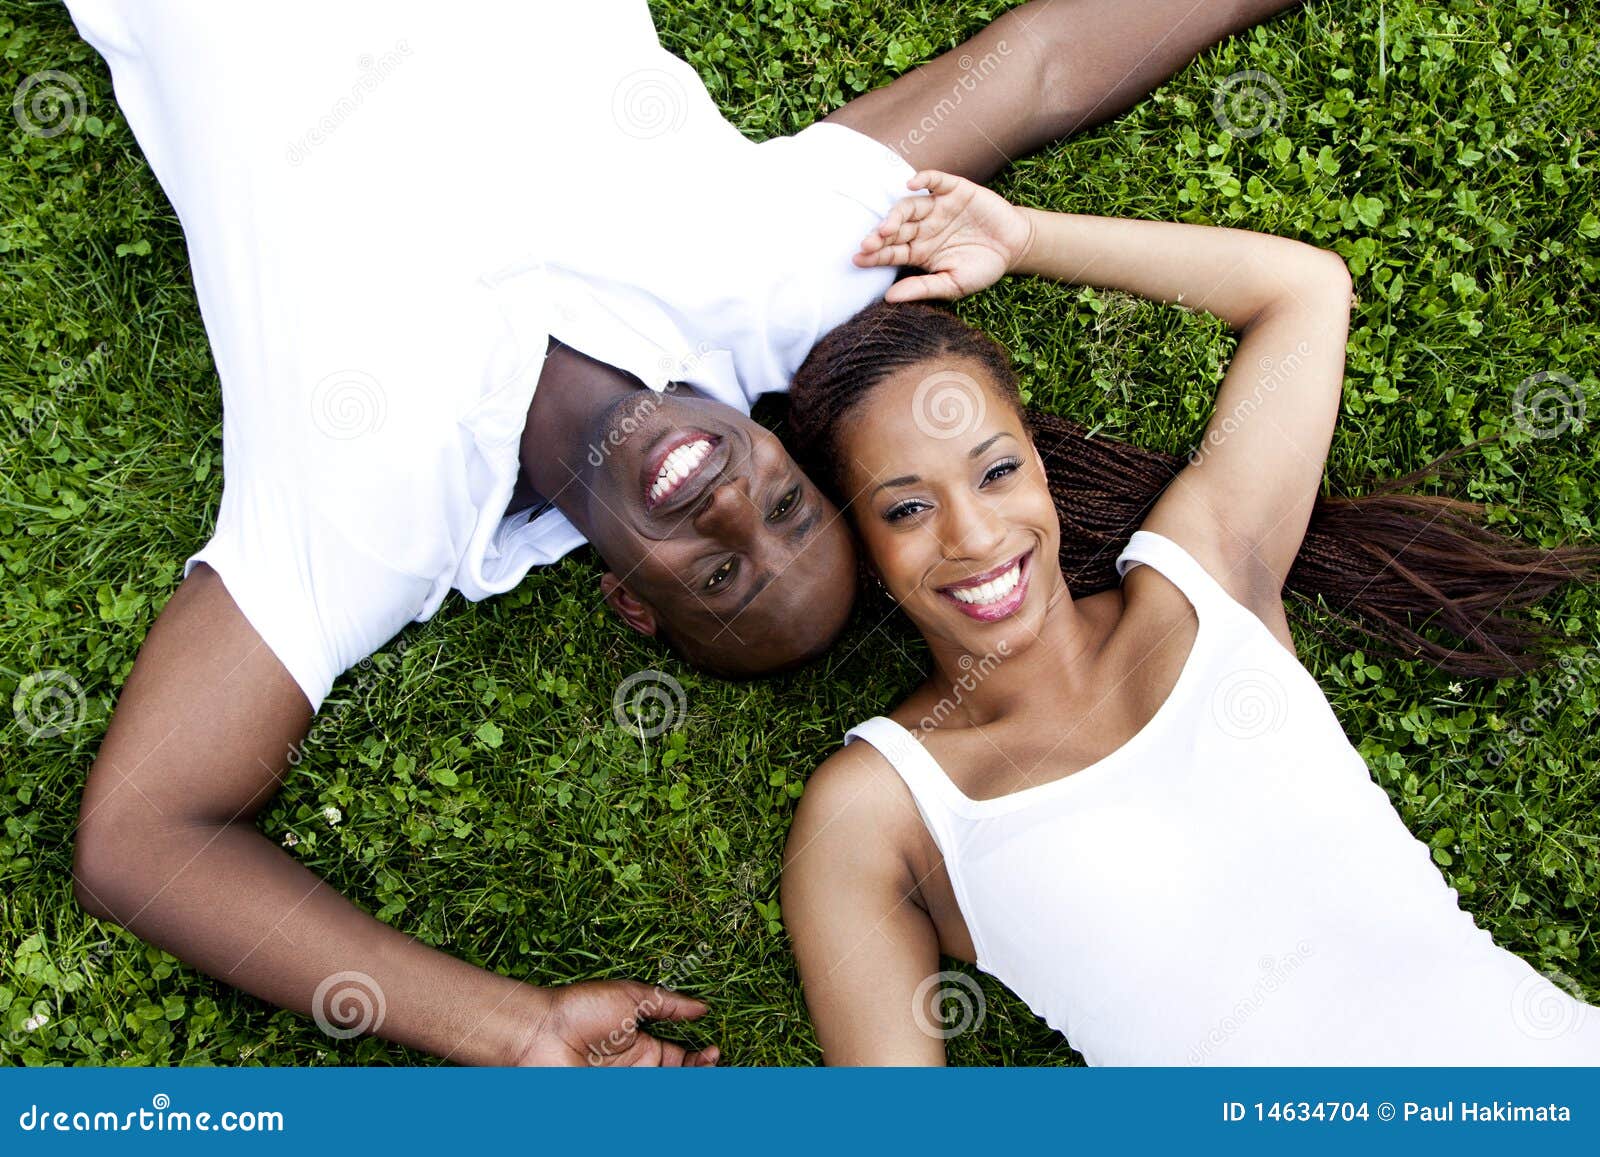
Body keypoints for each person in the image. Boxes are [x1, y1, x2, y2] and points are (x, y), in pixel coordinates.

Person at [66, 0, 1309, 1065]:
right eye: (782, 506)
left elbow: (140, 837)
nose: (723, 500)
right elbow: (1036, 65)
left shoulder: (373, 522)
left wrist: (512, 1028)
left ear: (629, 602)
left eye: (719, 570)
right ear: (791, 450)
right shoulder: (774, 274)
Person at [780, 171, 1600, 1064]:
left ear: (1042, 469)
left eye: (997, 471)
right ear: (857, 544)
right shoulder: (880, 809)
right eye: (906, 509)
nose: (975, 533)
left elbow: (1304, 292)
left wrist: (1023, 239)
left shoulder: (1202, 573)